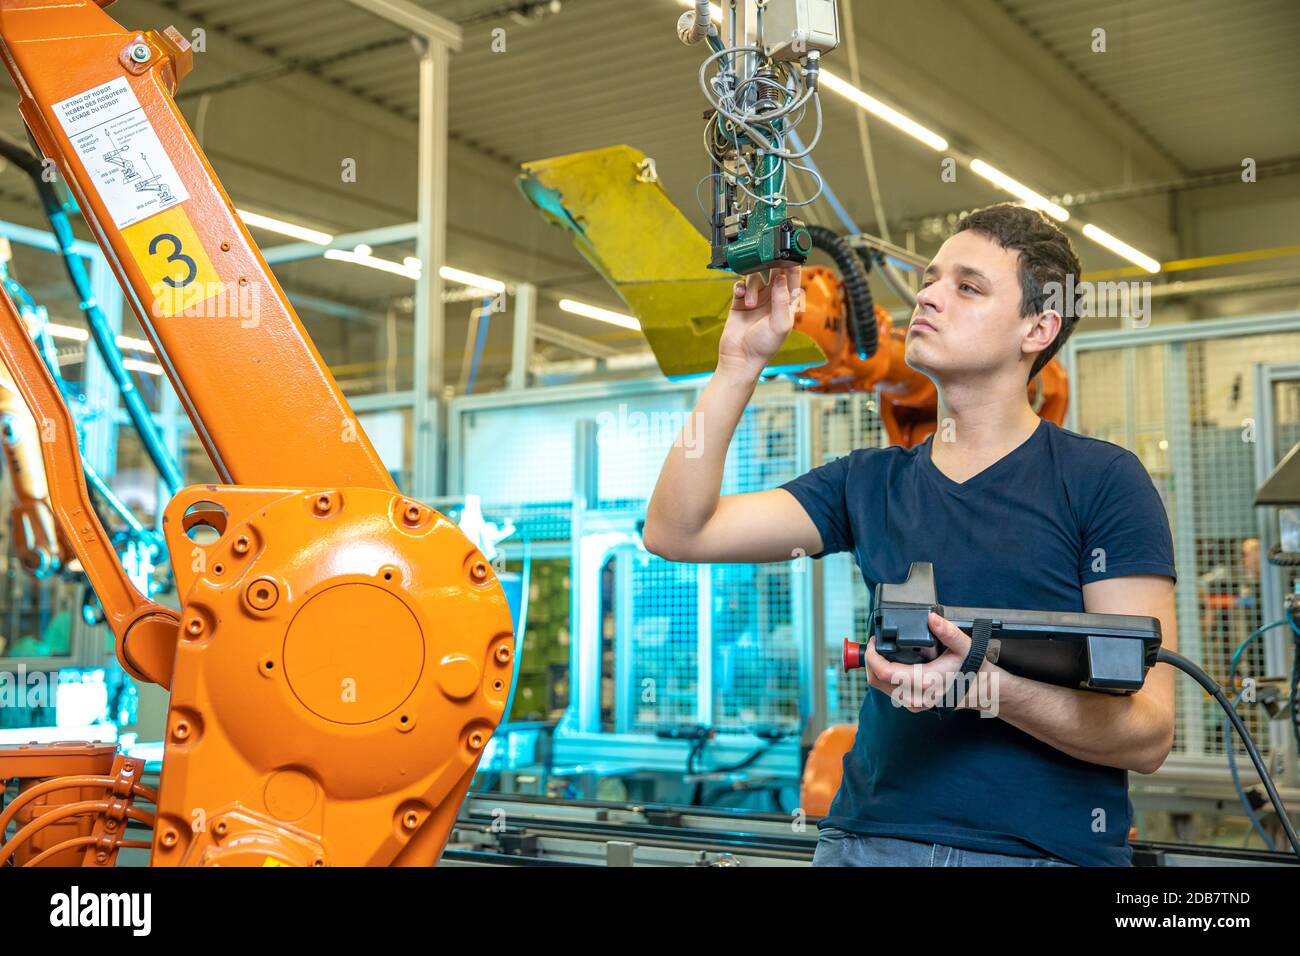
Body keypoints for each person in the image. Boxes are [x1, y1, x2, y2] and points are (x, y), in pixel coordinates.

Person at [643, 203, 1178, 866]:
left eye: (967, 286)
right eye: (930, 279)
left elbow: (1149, 733)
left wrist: (983, 685)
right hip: (864, 843)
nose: (927, 295)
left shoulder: (1103, 482)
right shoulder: (868, 482)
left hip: (1036, 854)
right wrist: (737, 364)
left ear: (1037, 328)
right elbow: (675, 532)